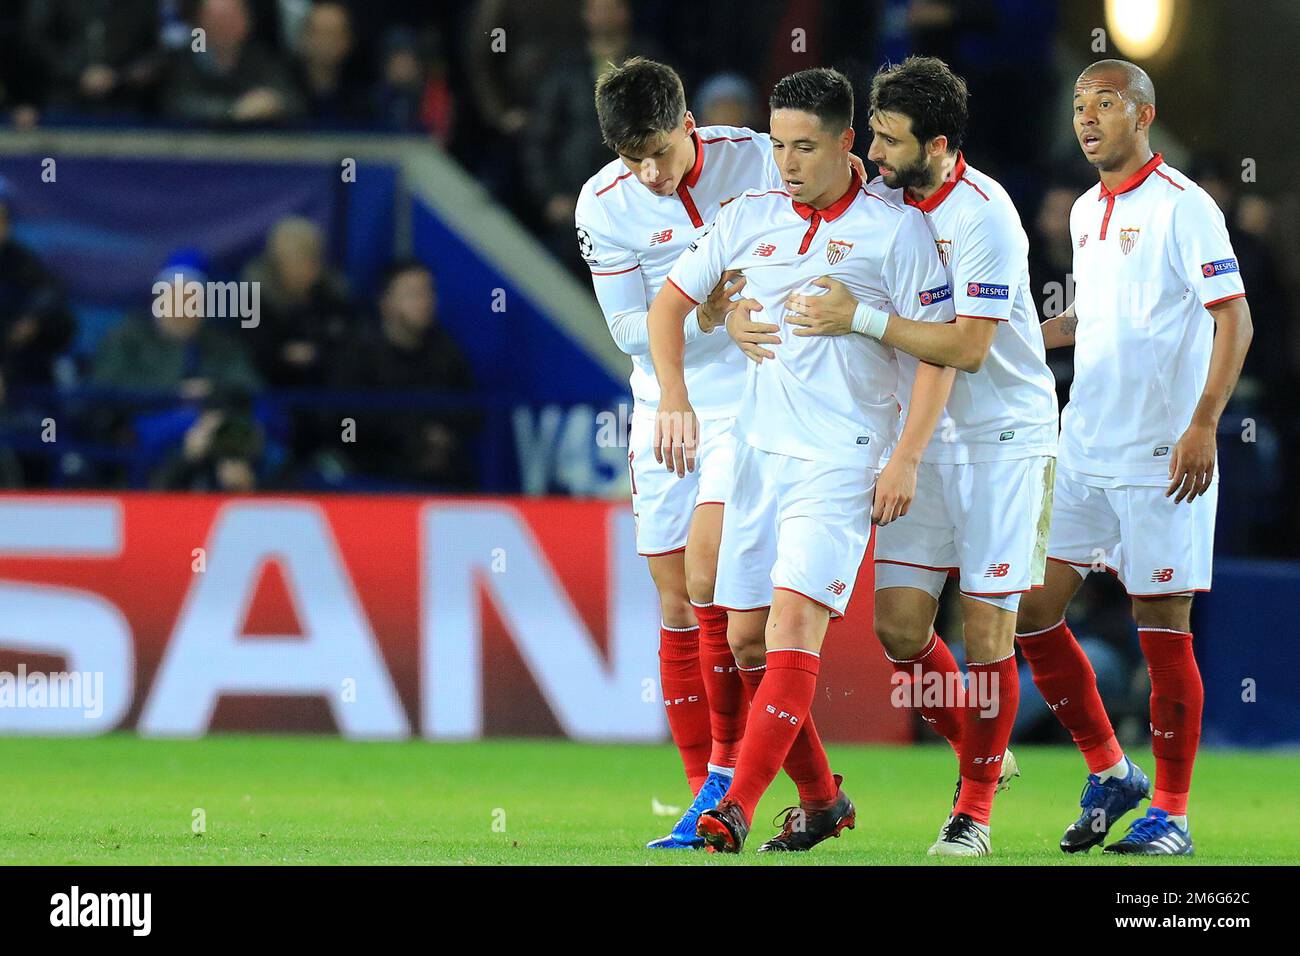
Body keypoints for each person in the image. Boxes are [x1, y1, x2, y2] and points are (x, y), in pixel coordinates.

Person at [732, 56, 1058, 856]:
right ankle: (986, 748)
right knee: (901, 630)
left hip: (1003, 440)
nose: (872, 157)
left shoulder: (986, 217)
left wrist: (863, 324)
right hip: (924, 433)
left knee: (987, 635)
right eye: (871, 136)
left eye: (888, 141)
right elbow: (796, 242)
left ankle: (973, 810)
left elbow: (970, 349)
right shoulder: (887, 200)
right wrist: (737, 305)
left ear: (939, 144)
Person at [650, 67, 956, 853]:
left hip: (843, 456)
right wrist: (686, 383)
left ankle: (733, 810)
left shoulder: (898, 231)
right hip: (755, 447)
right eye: (779, 146)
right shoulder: (750, 214)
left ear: (847, 142)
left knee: (793, 627)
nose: (786, 164)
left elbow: (941, 355)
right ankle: (821, 801)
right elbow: (671, 305)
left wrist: (908, 457)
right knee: (746, 639)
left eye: (805, 148)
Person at [1015, 60, 1253, 855]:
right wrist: (1016, 339)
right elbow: (1097, 315)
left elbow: (1236, 322)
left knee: (1162, 626)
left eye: (1105, 104)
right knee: (1030, 611)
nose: (1087, 118)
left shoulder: (1186, 209)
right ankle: (1112, 769)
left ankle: (1174, 815)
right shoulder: (1085, 211)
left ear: (1143, 115)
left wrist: (1203, 424)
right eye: (1080, 105)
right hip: (1083, 449)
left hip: (1162, 455)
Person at [574, 56, 776, 849]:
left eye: (661, 149)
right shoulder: (603, 204)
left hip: (754, 401)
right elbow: (627, 330)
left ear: (688, 122)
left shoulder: (757, 157)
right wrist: (702, 313)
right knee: (673, 600)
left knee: (715, 585)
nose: (653, 173)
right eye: (635, 159)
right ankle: (705, 794)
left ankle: (731, 775)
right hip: (665, 406)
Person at [331, 259, 477, 490]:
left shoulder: (446, 351)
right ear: (386, 303)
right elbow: (347, 424)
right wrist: (414, 437)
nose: (425, 301)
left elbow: (470, 409)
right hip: (372, 477)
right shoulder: (359, 355)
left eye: (429, 291)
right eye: (413, 294)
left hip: (442, 477)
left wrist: (442, 436)